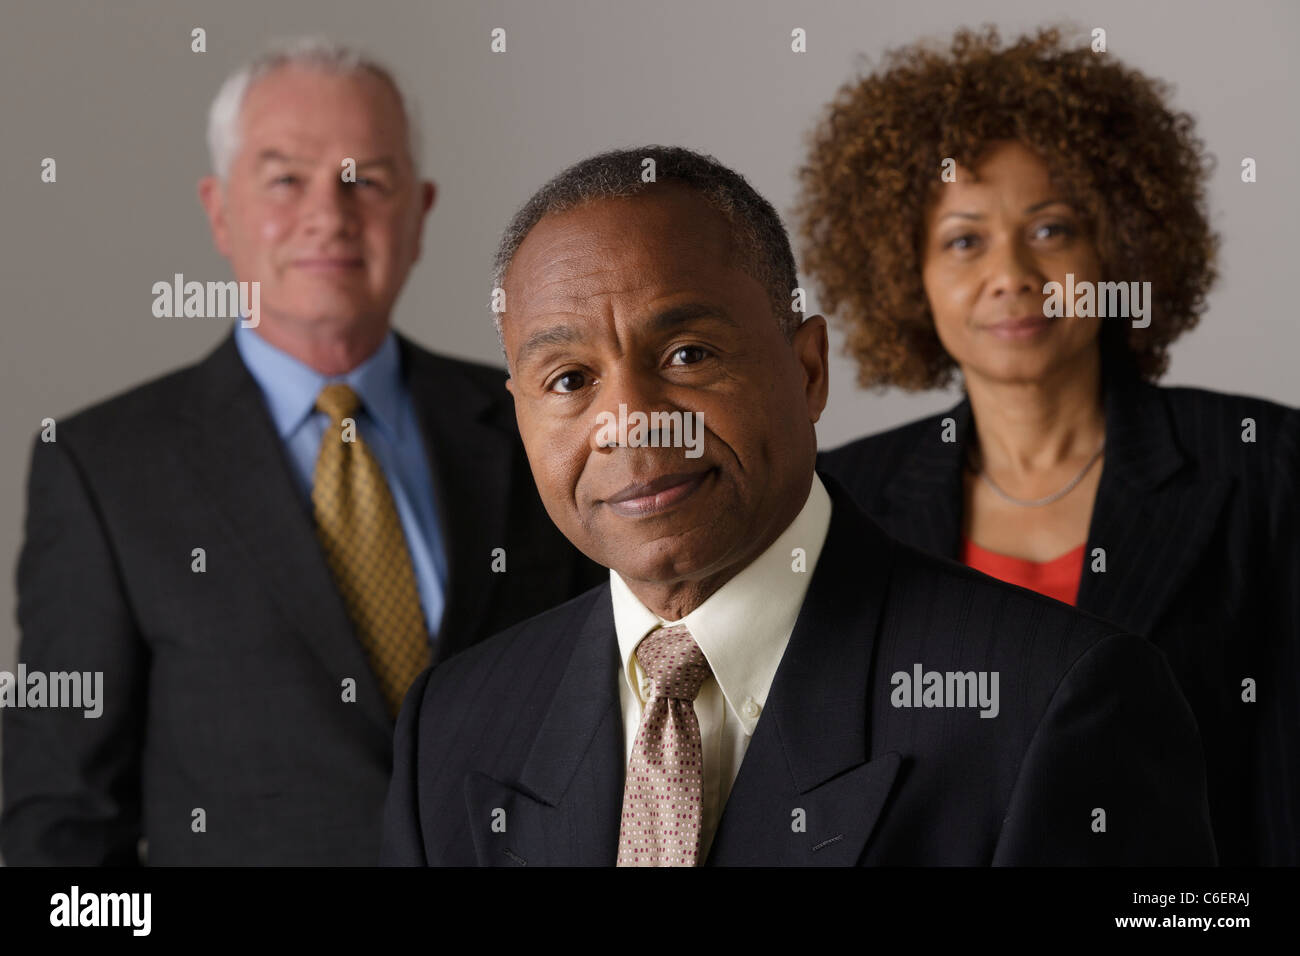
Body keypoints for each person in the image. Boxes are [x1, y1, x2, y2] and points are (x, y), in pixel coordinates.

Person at [380, 145, 1215, 866]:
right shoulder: (450, 729)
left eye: (687, 353)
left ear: (808, 368)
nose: (628, 423)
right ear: (521, 412)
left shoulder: (1054, 703)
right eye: (569, 380)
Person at [1, 38, 602, 866]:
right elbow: (60, 824)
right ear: (219, 211)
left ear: (419, 213)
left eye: (368, 180)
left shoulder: (540, 415)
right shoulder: (101, 468)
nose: (331, 213)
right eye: (287, 179)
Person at [801, 26, 1300, 865]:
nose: (1013, 274)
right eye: (964, 240)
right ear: (905, 275)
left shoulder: (1268, 465)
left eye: (1053, 230)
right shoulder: (841, 495)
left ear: (1119, 247)